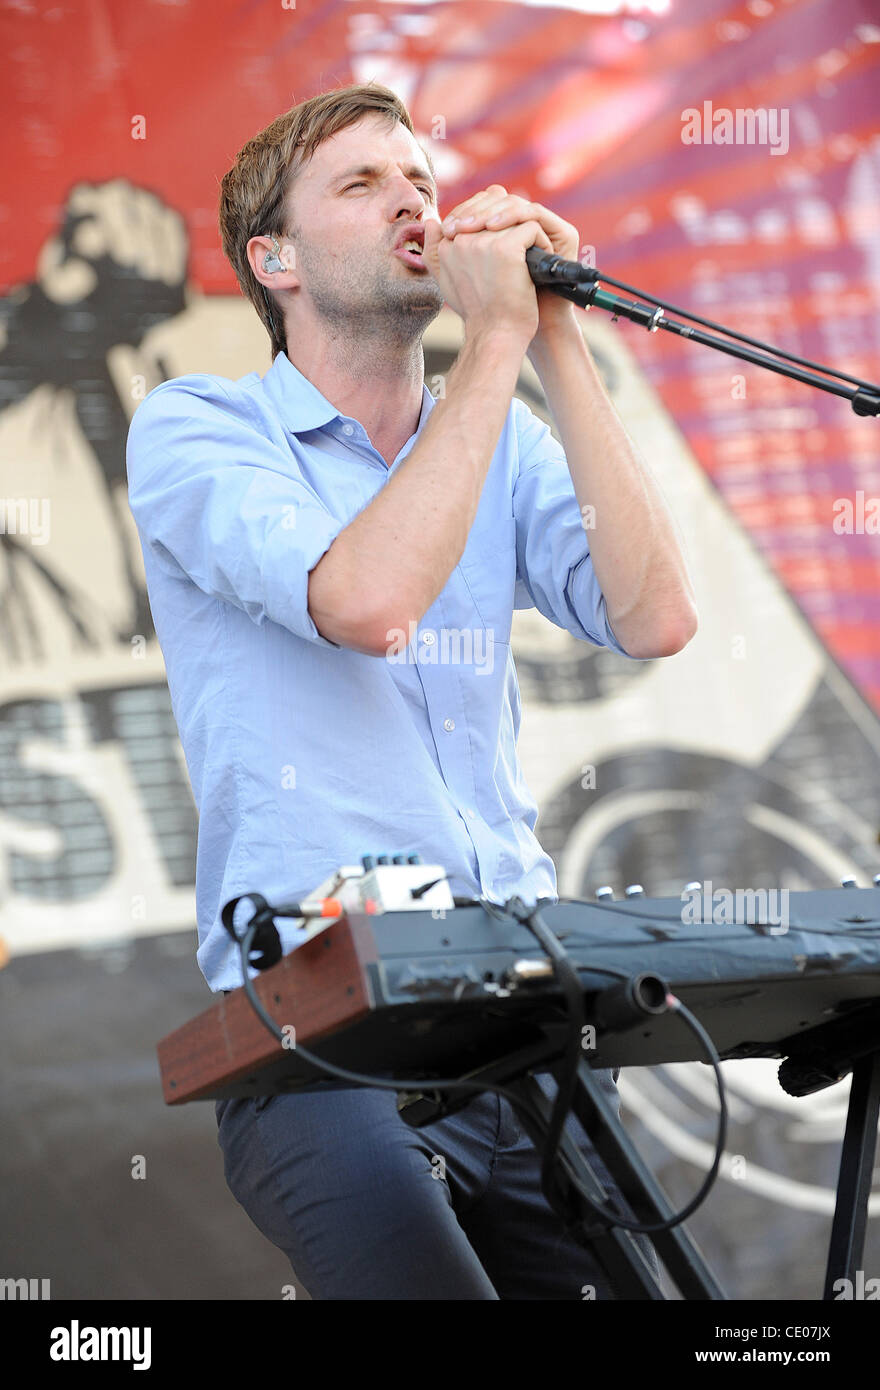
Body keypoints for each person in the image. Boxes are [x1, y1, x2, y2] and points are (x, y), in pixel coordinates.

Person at [126, 81, 697, 1300]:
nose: (416, 204)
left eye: (423, 182)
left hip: (529, 1011)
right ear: (272, 260)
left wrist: (550, 335)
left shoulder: (502, 433)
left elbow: (653, 615)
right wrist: (491, 342)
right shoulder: (197, 429)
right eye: (363, 183)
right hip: (320, 1036)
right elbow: (366, 603)